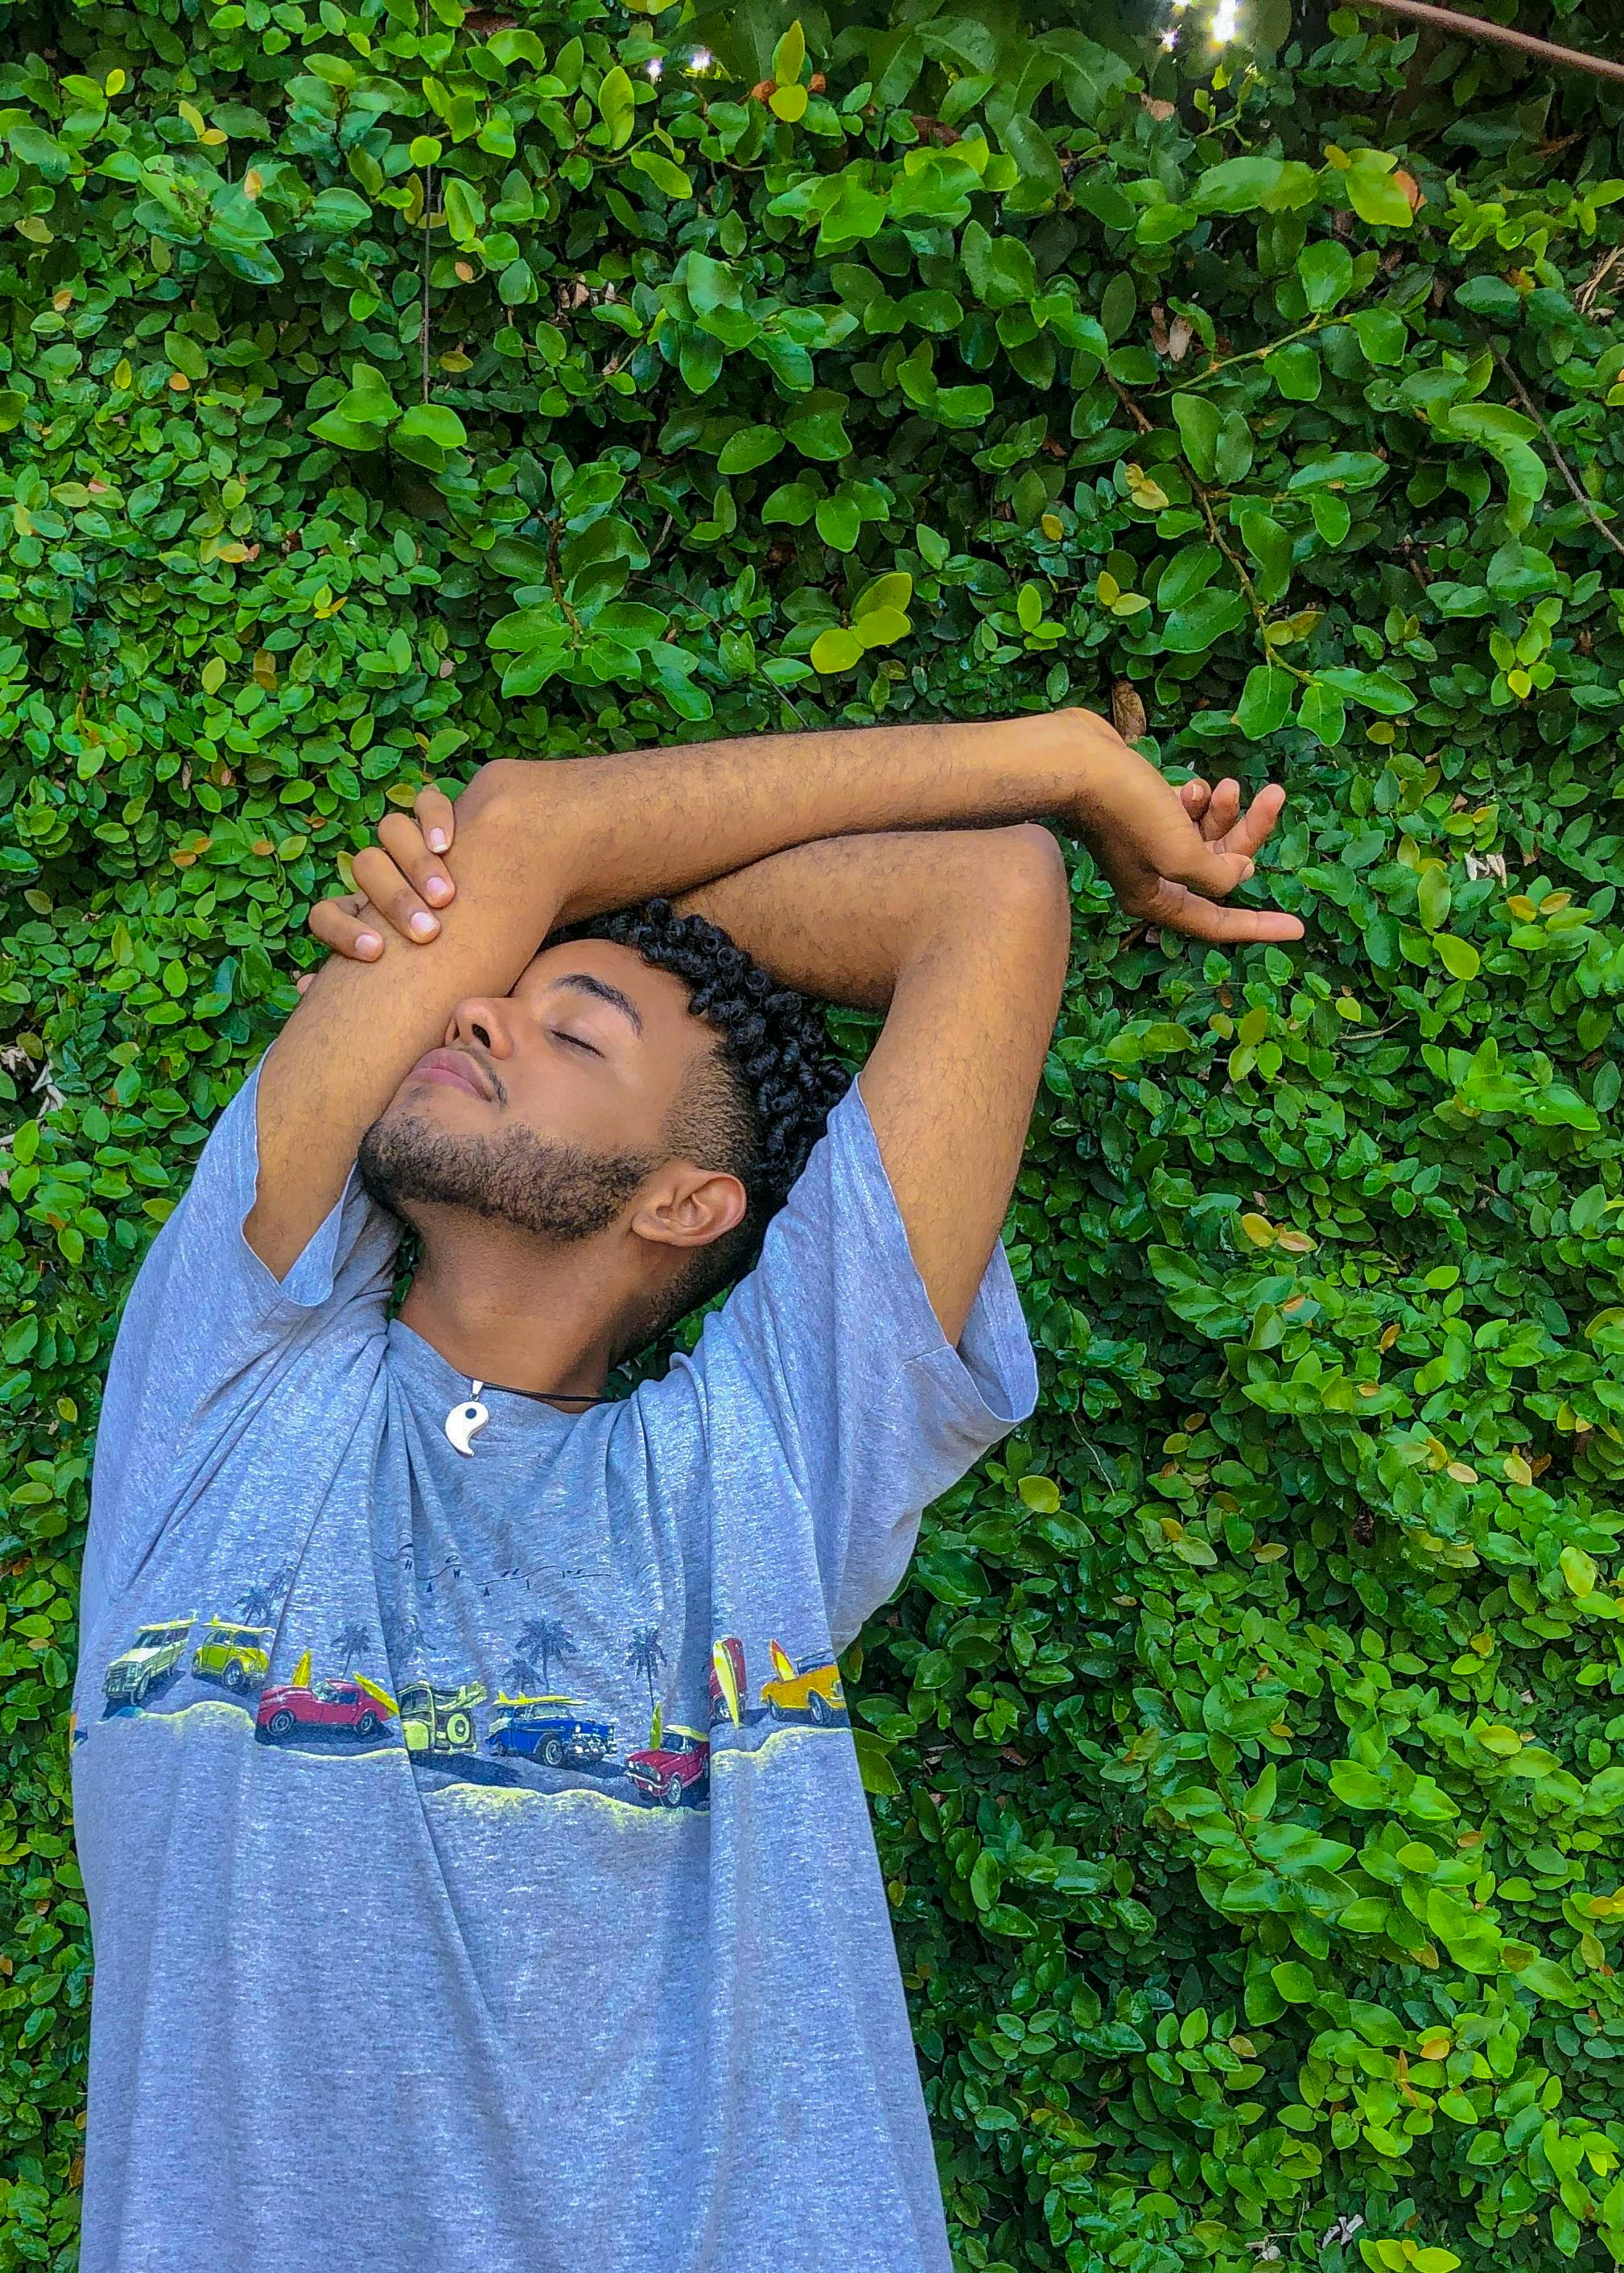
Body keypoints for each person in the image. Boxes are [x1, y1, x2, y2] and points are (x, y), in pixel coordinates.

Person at [69, 712, 1301, 2272]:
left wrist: (1059, 773)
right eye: (491, 999)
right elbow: (516, 831)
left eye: (565, 1032)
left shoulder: (764, 1470)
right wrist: (571, 933)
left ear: (688, 1201)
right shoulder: (229, 1386)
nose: (476, 1016)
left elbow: (986, 897)